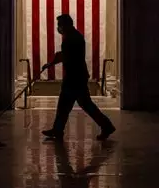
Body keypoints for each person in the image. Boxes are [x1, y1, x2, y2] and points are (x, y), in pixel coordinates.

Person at [42, 14, 116, 142]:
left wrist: (50, 64)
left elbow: (63, 55)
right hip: (76, 76)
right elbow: (62, 55)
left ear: (65, 25)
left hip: (74, 77)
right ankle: (58, 130)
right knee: (71, 105)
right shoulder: (73, 36)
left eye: (59, 24)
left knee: (76, 105)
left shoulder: (72, 37)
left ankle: (106, 126)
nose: (58, 28)